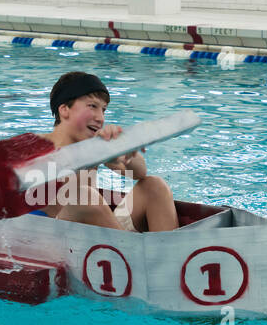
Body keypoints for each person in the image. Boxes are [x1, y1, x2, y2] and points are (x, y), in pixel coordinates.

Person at [39, 72, 178, 233]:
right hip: (59, 237)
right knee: (83, 197)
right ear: (64, 110)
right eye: (92, 106)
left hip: (105, 233)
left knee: (154, 185)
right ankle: (131, 253)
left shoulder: (94, 146)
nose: (100, 118)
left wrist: (118, 150)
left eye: (103, 110)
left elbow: (140, 172)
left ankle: (167, 253)